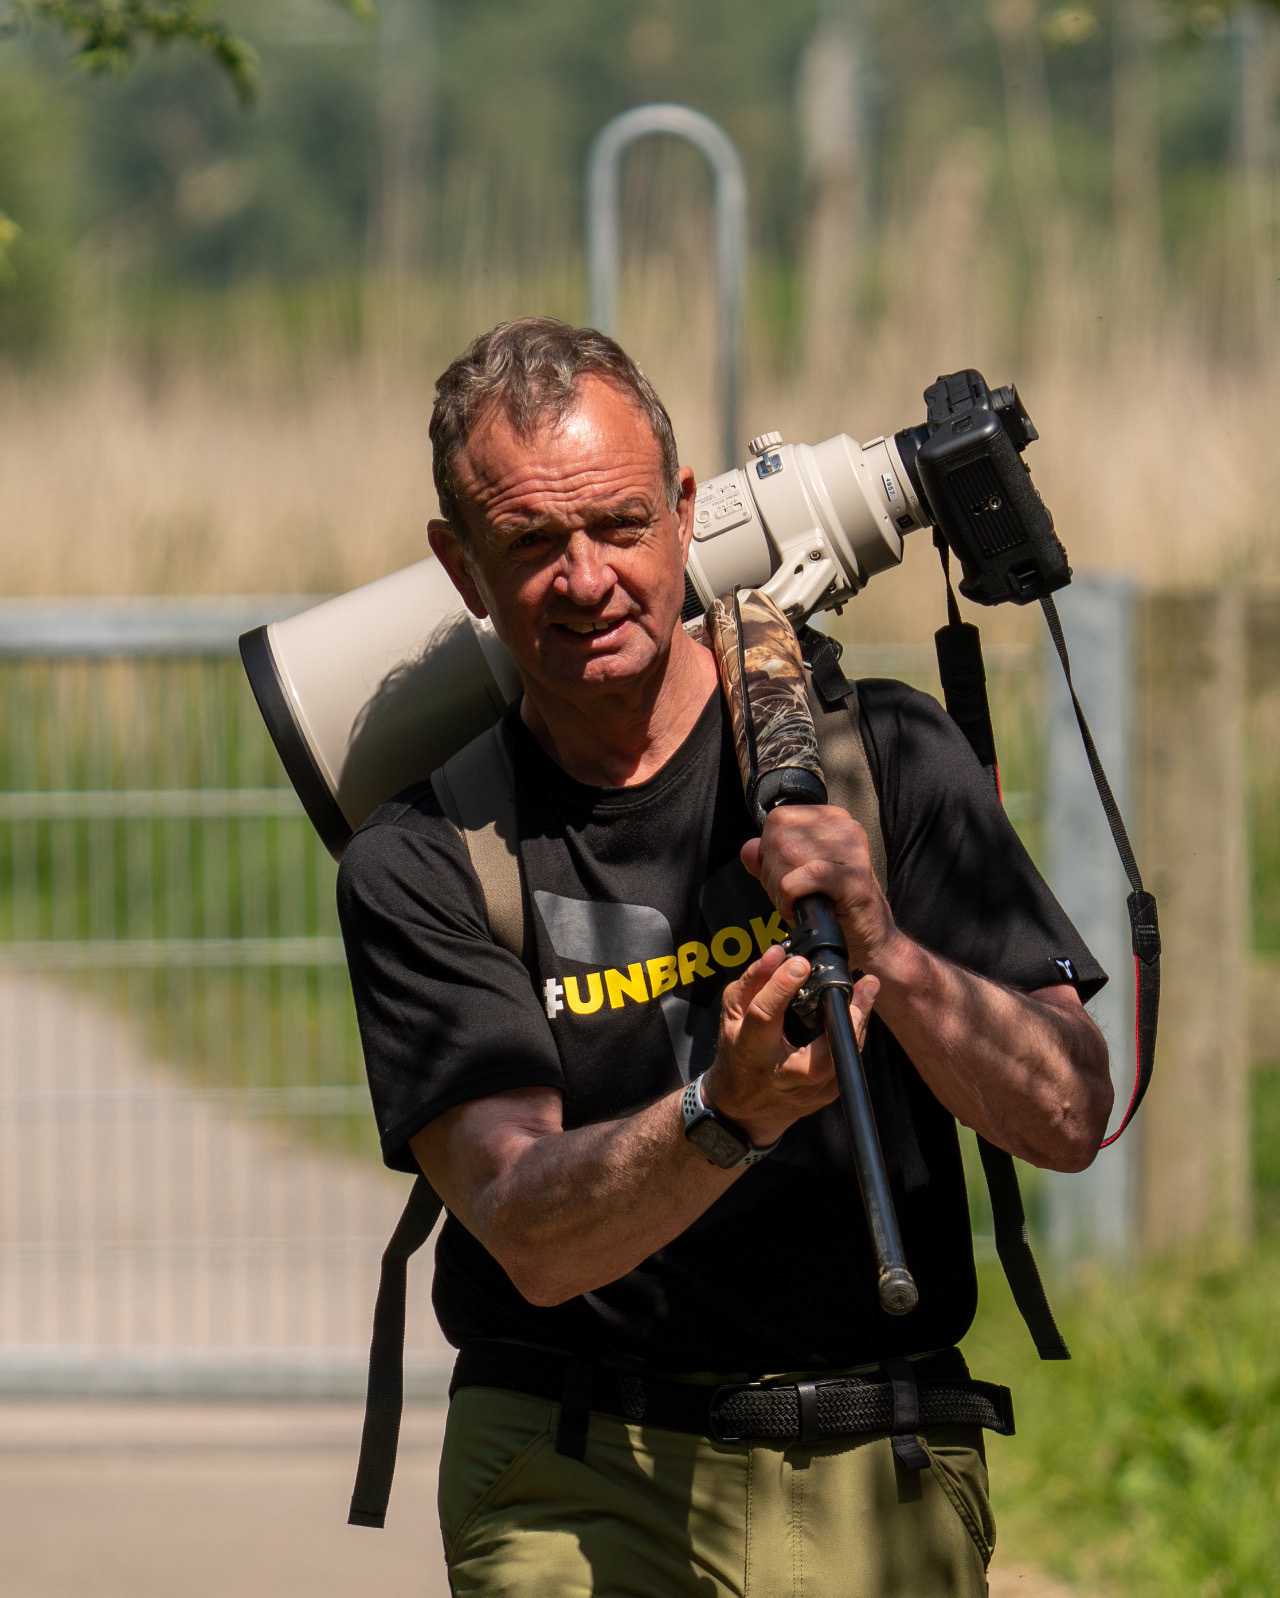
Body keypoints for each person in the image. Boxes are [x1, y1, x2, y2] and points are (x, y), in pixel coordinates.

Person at [337, 316, 1113, 1597]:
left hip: (881, 1456)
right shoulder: (426, 857)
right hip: (570, 1468)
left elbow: (1070, 1111)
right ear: (460, 566)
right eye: (531, 542)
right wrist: (727, 1113)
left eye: (620, 525)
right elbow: (528, 1229)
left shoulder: (886, 763)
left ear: (686, 509)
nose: (584, 578)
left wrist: (888, 955)